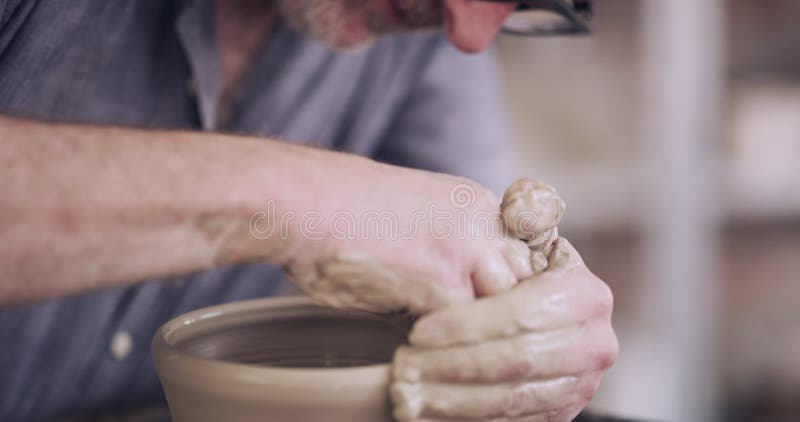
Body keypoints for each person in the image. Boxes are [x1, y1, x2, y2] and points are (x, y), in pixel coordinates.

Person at [0, 0, 617, 420]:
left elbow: (484, 264)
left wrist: (544, 327)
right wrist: (304, 198)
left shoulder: (419, 30)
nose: (470, 32)